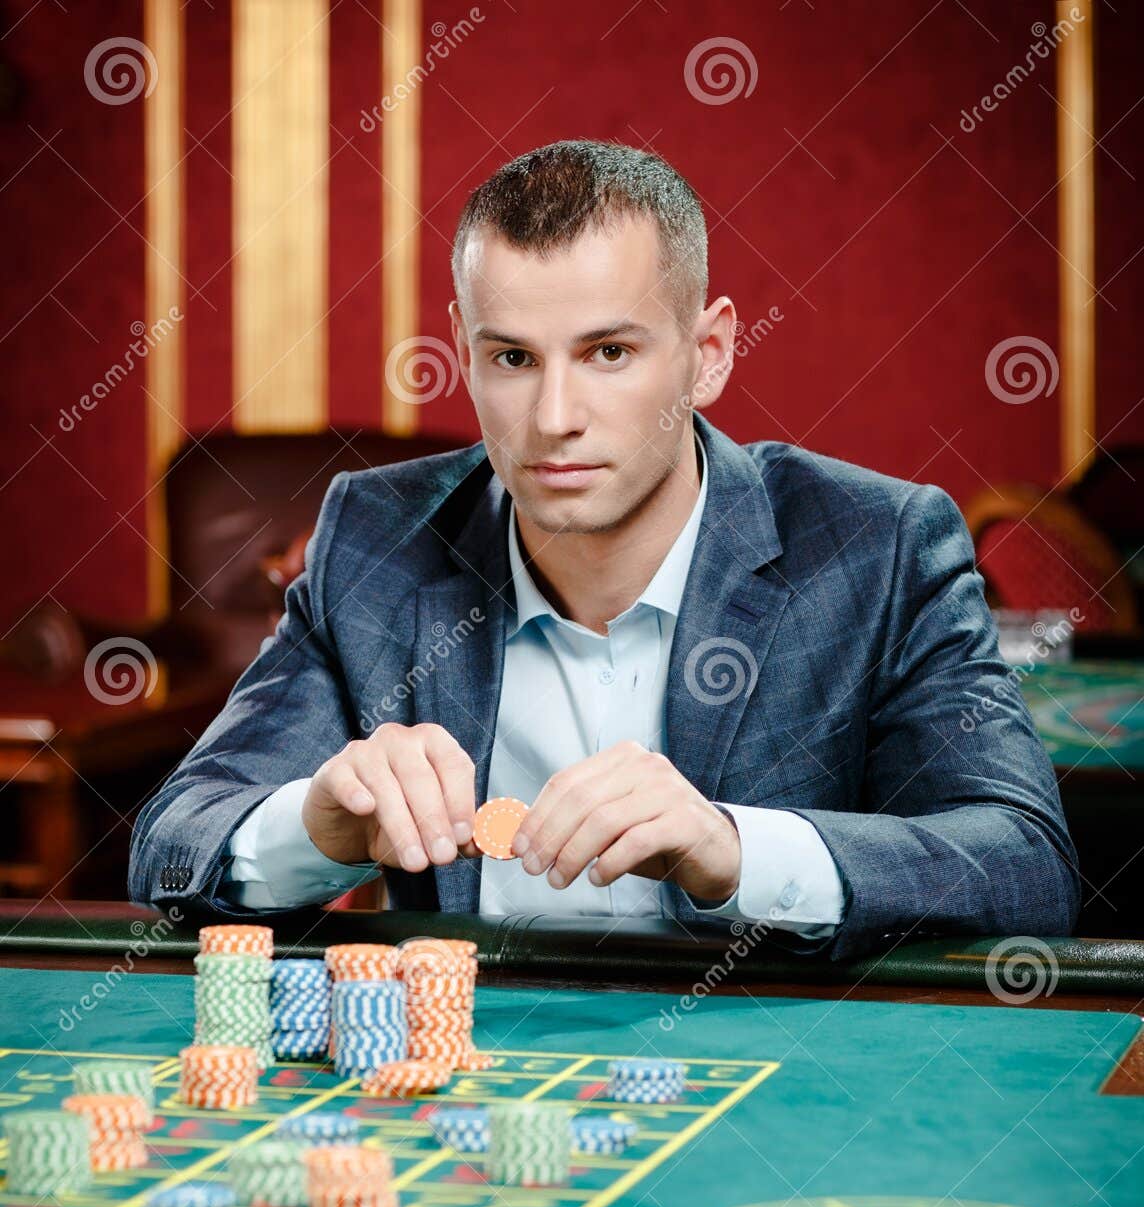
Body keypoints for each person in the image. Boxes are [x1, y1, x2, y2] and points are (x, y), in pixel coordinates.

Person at [129, 139, 1080, 961]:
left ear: (709, 353)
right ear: (462, 350)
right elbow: (172, 840)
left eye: (609, 354)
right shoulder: (377, 540)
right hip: (477, 1095)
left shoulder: (876, 546)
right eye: (513, 358)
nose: (553, 420)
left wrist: (736, 850)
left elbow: (1025, 864)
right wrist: (319, 825)